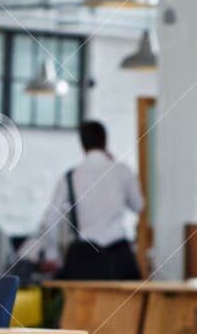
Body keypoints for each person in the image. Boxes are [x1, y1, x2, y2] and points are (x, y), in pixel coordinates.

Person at [22, 120, 143, 281]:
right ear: (105, 141)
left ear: (82, 144)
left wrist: (52, 253)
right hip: (118, 254)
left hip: (85, 257)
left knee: (84, 305)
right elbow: (138, 206)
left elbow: (50, 219)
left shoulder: (70, 177)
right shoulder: (122, 170)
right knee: (128, 304)